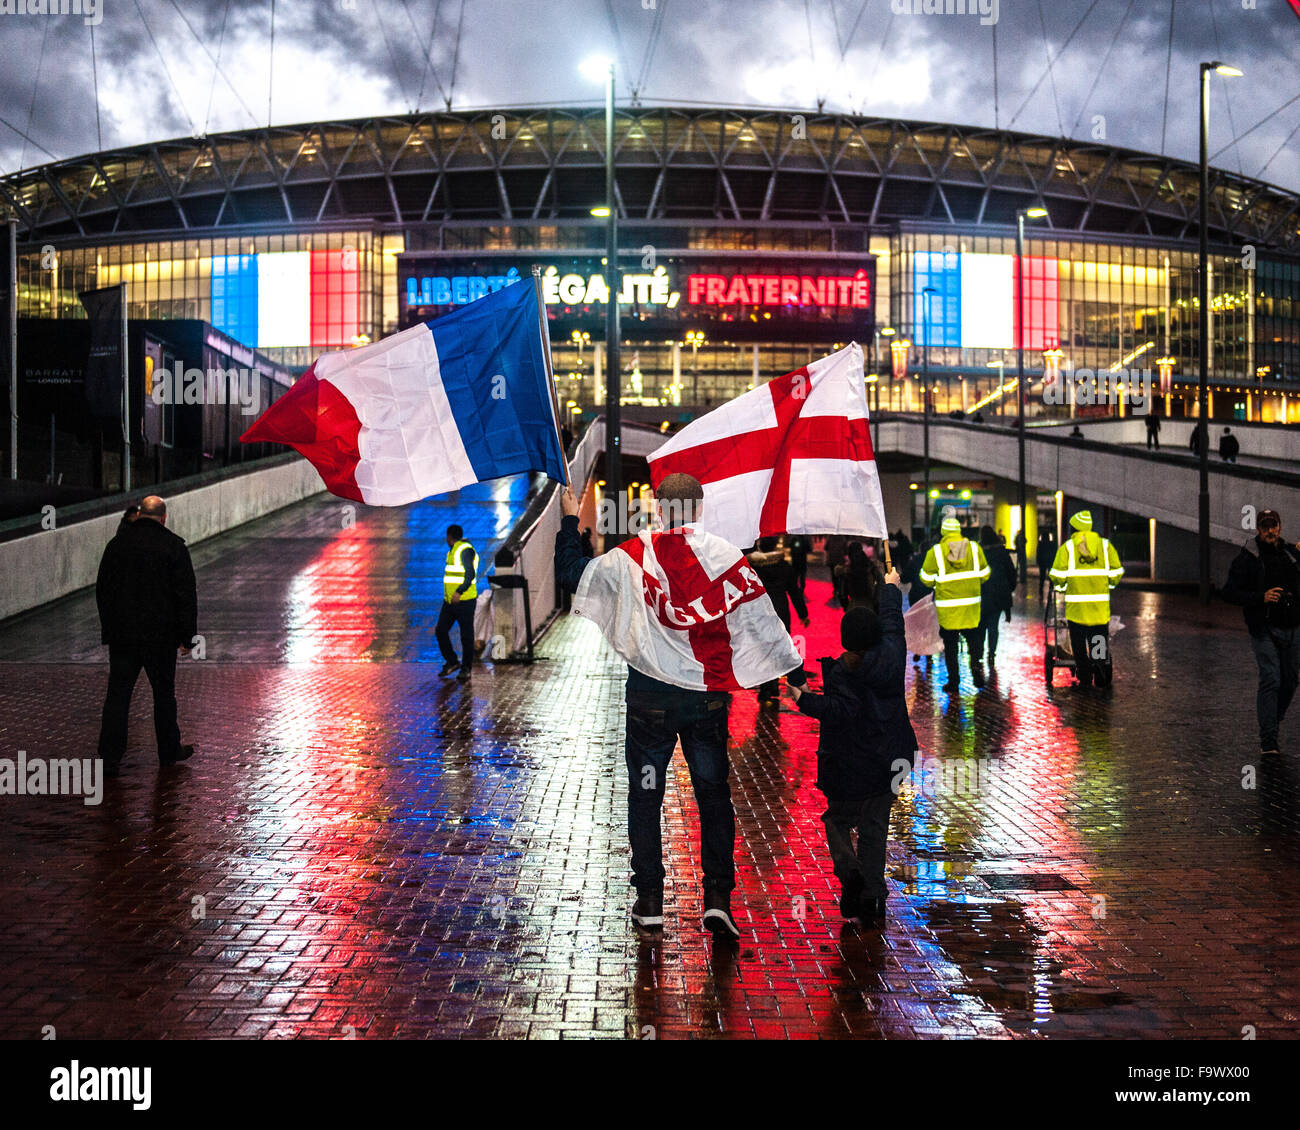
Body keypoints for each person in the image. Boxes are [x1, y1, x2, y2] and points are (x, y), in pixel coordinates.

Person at [555, 473, 805, 940]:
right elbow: (760, 624)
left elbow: (573, 574)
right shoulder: (726, 557)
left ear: (657, 505)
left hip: (650, 700)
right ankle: (717, 898)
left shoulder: (631, 557)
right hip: (705, 702)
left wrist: (571, 521)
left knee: (645, 797)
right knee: (713, 796)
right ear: (700, 507)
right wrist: (786, 672)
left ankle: (649, 900)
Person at [789, 570, 917, 925]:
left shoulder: (846, 673)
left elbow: (838, 710)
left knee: (837, 820)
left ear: (846, 640)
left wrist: (804, 700)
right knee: (875, 828)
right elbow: (893, 623)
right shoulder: (892, 655)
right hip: (891, 760)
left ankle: (850, 874)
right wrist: (890, 586)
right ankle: (874, 900)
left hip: (850, 765)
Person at [95, 495, 197, 777]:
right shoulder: (173, 547)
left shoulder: (117, 546)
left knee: (118, 695)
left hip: (124, 636)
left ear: (139, 515)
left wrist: (110, 628)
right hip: (160, 637)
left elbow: (104, 590)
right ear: (164, 518)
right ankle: (168, 751)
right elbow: (185, 595)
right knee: (164, 695)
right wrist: (187, 637)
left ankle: (109, 755)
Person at [1222, 509, 1300, 755]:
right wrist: (1261, 597)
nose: (1269, 530)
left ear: (1280, 526)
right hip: (1263, 628)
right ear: (1258, 528)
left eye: (1273, 525)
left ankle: (1271, 720)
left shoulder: (1291, 554)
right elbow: (1229, 592)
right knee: (1271, 678)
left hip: (1293, 627)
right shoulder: (1248, 558)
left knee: (1290, 680)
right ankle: (1269, 741)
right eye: (1265, 526)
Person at [1048, 510, 1124, 688]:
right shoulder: (1105, 547)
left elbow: (1057, 576)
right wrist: (1108, 585)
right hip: (1099, 608)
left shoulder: (1068, 548)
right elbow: (1116, 572)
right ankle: (1100, 673)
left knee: (1079, 645)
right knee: (1098, 641)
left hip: (1077, 609)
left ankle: (1084, 678)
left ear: (1074, 528)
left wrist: (1063, 587)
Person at [919, 516, 990, 692]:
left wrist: (938, 580)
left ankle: (954, 680)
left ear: (943, 532)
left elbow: (926, 579)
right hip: (970, 607)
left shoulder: (935, 552)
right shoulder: (975, 548)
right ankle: (975, 667)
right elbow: (985, 574)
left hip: (948, 608)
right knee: (974, 639)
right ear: (960, 530)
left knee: (950, 645)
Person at [746, 537, 810, 708]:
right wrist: (803, 614)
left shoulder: (752, 568)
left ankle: (767, 687)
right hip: (780, 612)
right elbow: (794, 592)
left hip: (759, 612)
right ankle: (774, 685)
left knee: (762, 650)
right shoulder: (784, 568)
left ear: (760, 546)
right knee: (778, 648)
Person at [436, 524, 478, 682]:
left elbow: (470, 574)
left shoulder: (464, 550)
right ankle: (452, 661)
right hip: (450, 601)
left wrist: (459, 592)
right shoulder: (453, 550)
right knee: (441, 630)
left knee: (466, 636)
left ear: (449, 536)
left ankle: (466, 668)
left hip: (464, 600)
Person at [978, 525, 1017, 667]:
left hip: (981, 595)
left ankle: (979, 653)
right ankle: (991, 654)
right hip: (999, 595)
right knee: (993, 626)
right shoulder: (1001, 552)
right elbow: (1011, 572)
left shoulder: (978, 551)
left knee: (981, 626)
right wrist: (1009, 588)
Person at [1036, 527, 1058, 600]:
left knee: (1042, 577)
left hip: (1042, 562)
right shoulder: (1052, 544)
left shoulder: (1040, 544)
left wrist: (1038, 561)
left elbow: (1038, 553)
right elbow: (1054, 552)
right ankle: (1050, 591)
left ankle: (1040, 591)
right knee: (1051, 578)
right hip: (1050, 562)